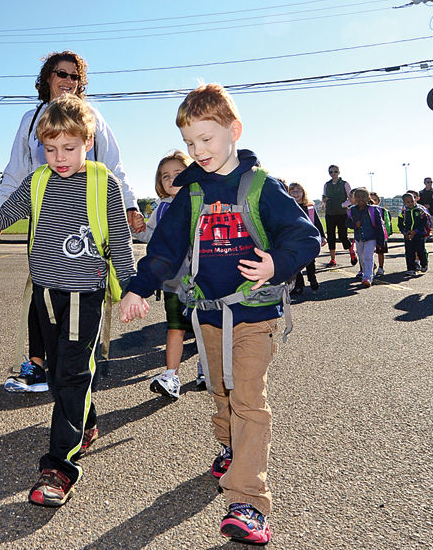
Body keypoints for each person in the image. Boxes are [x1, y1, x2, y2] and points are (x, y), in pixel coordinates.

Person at [119, 84, 320, 545]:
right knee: (222, 391)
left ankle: (248, 500)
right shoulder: (190, 195)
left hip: (254, 312)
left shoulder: (260, 186)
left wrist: (276, 263)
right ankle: (230, 448)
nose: (198, 151)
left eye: (206, 139)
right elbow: (164, 252)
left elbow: (305, 237)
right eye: (190, 143)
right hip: (207, 315)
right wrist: (137, 289)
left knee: (248, 398)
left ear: (234, 131)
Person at [0, 94, 135, 507]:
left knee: (73, 375)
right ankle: (86, 421)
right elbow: (1, 216)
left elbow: (120, 241)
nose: (59, 157)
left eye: (68, 148)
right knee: (57, 373)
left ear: (87, 142)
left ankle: (60, 466)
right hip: (45, 295)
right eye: (50, 148)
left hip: (84, 297)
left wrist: (130, 288)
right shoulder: (37, 181)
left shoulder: (102, 182)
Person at [0, 51, 143, 405]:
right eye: (61, 73)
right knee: (40, 291)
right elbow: (15, 172)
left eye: (74, 76)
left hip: (85, 219)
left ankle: (83, 361)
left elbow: (114, 166)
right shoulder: (31, 118)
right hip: (44, 214)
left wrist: (129, 206)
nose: (68, 81)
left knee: (86, 293)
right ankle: (36, 364)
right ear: (47, 77)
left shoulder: (92, 118)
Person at [142, 150, 205, 399]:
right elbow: (151, 239)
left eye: (179, 173)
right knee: (175, 328)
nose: (172, 180)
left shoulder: (202, 201)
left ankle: (206, 370)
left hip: (202, 280)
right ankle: (171, 375)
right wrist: (138, 229)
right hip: (174, 282)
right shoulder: (160, 209)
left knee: (204, 328)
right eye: (165, 176)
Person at [287, 182, 325, 294]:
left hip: (308, 238)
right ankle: (299, 284)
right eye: (292, 191)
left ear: (303, 193)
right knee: (296, 262)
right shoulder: (288, 207)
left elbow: (317, 222)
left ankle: (312, 278)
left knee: (310, 261)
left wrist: (322, 236)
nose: (295, 193)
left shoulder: (310, 208)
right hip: (294, 238)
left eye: (298, 190)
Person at [346, 188, 386, 287]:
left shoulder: (373, 210)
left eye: (363, 197)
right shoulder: (352, 210)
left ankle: (368, 277)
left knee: (368, 256)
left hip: (371, 237)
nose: (360, 199)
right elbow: (348, 223)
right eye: (358, 197)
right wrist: (355, 225)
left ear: (368, 198)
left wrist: (380, 242)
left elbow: (379, 226)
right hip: (359, 238)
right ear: (354, 198)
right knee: (361, 257)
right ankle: (365, 272)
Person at [321, 164, 355, 267]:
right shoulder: (327, 185)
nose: (333, 174)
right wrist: (324, 202)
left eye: (335, 171)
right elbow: (324, 197)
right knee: (330, 236)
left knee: (343, 236)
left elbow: (351, 198)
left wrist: (343, 205)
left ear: (339, 172)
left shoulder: (345, 184)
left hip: (341, 214)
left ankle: (352, 253)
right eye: (331, 172)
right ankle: (332, 259)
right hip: (330, 214)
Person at [398, 192, 430, 276]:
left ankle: (424, 264)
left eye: (412, 201)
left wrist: (416, 231)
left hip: (419, 234)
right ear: (404, 203)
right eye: (408, 202)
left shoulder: (420, 210)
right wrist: (404, 232)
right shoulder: (403, 212)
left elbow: (424, 222)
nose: (411, 203)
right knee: (409, 252)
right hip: (408, 235)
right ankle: (411, 269)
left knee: (420, 250)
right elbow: (400, 224)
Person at [369, 192, 391, 277]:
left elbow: (388, 223)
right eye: (372, 200)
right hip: (370, 233)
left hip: (381, 234)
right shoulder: (367, 210)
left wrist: (386, 234)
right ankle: (372, 265)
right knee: (369, 251)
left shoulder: (383, 210)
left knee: (380, 252)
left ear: (379, 201)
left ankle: (381, 267)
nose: (373, 202)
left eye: (375, 200)